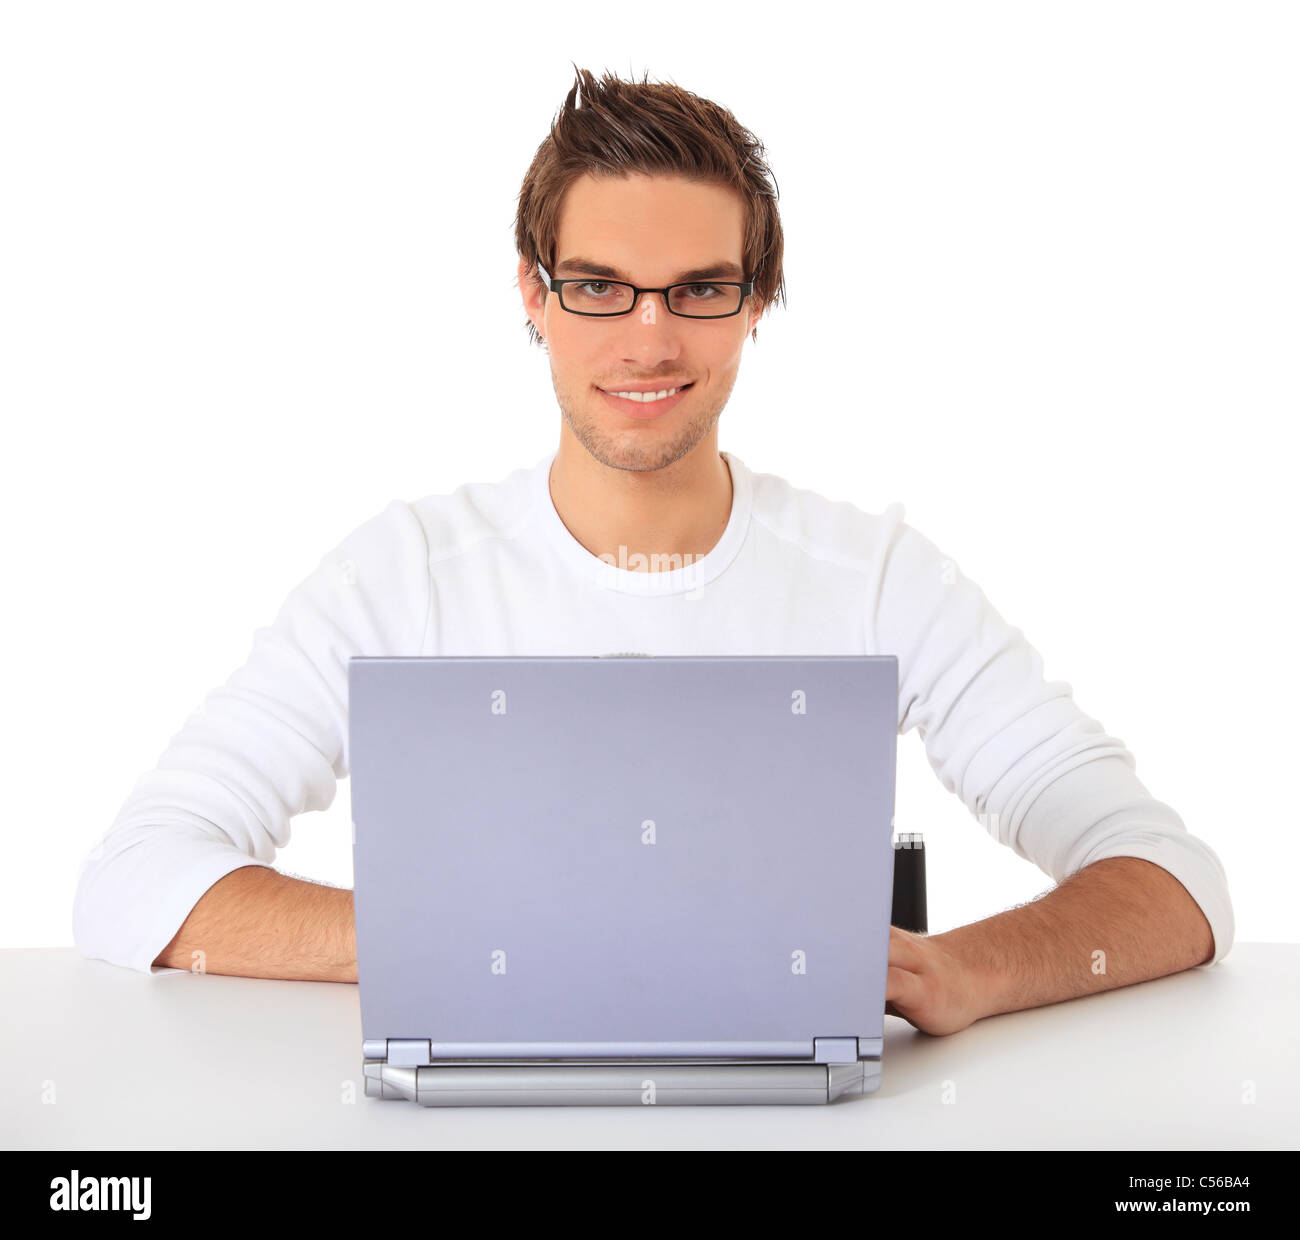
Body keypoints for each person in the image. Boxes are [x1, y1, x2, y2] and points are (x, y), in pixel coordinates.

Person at [73, 66, 1231, 1037]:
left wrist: (968, 972)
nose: (648, 337)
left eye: (697, 289)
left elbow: (1175, 886)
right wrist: (457, 947)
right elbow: (135, 881)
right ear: (533, 293)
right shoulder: (404, 571)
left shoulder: (873, 575)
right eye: (597, 287)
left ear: (755, 301)